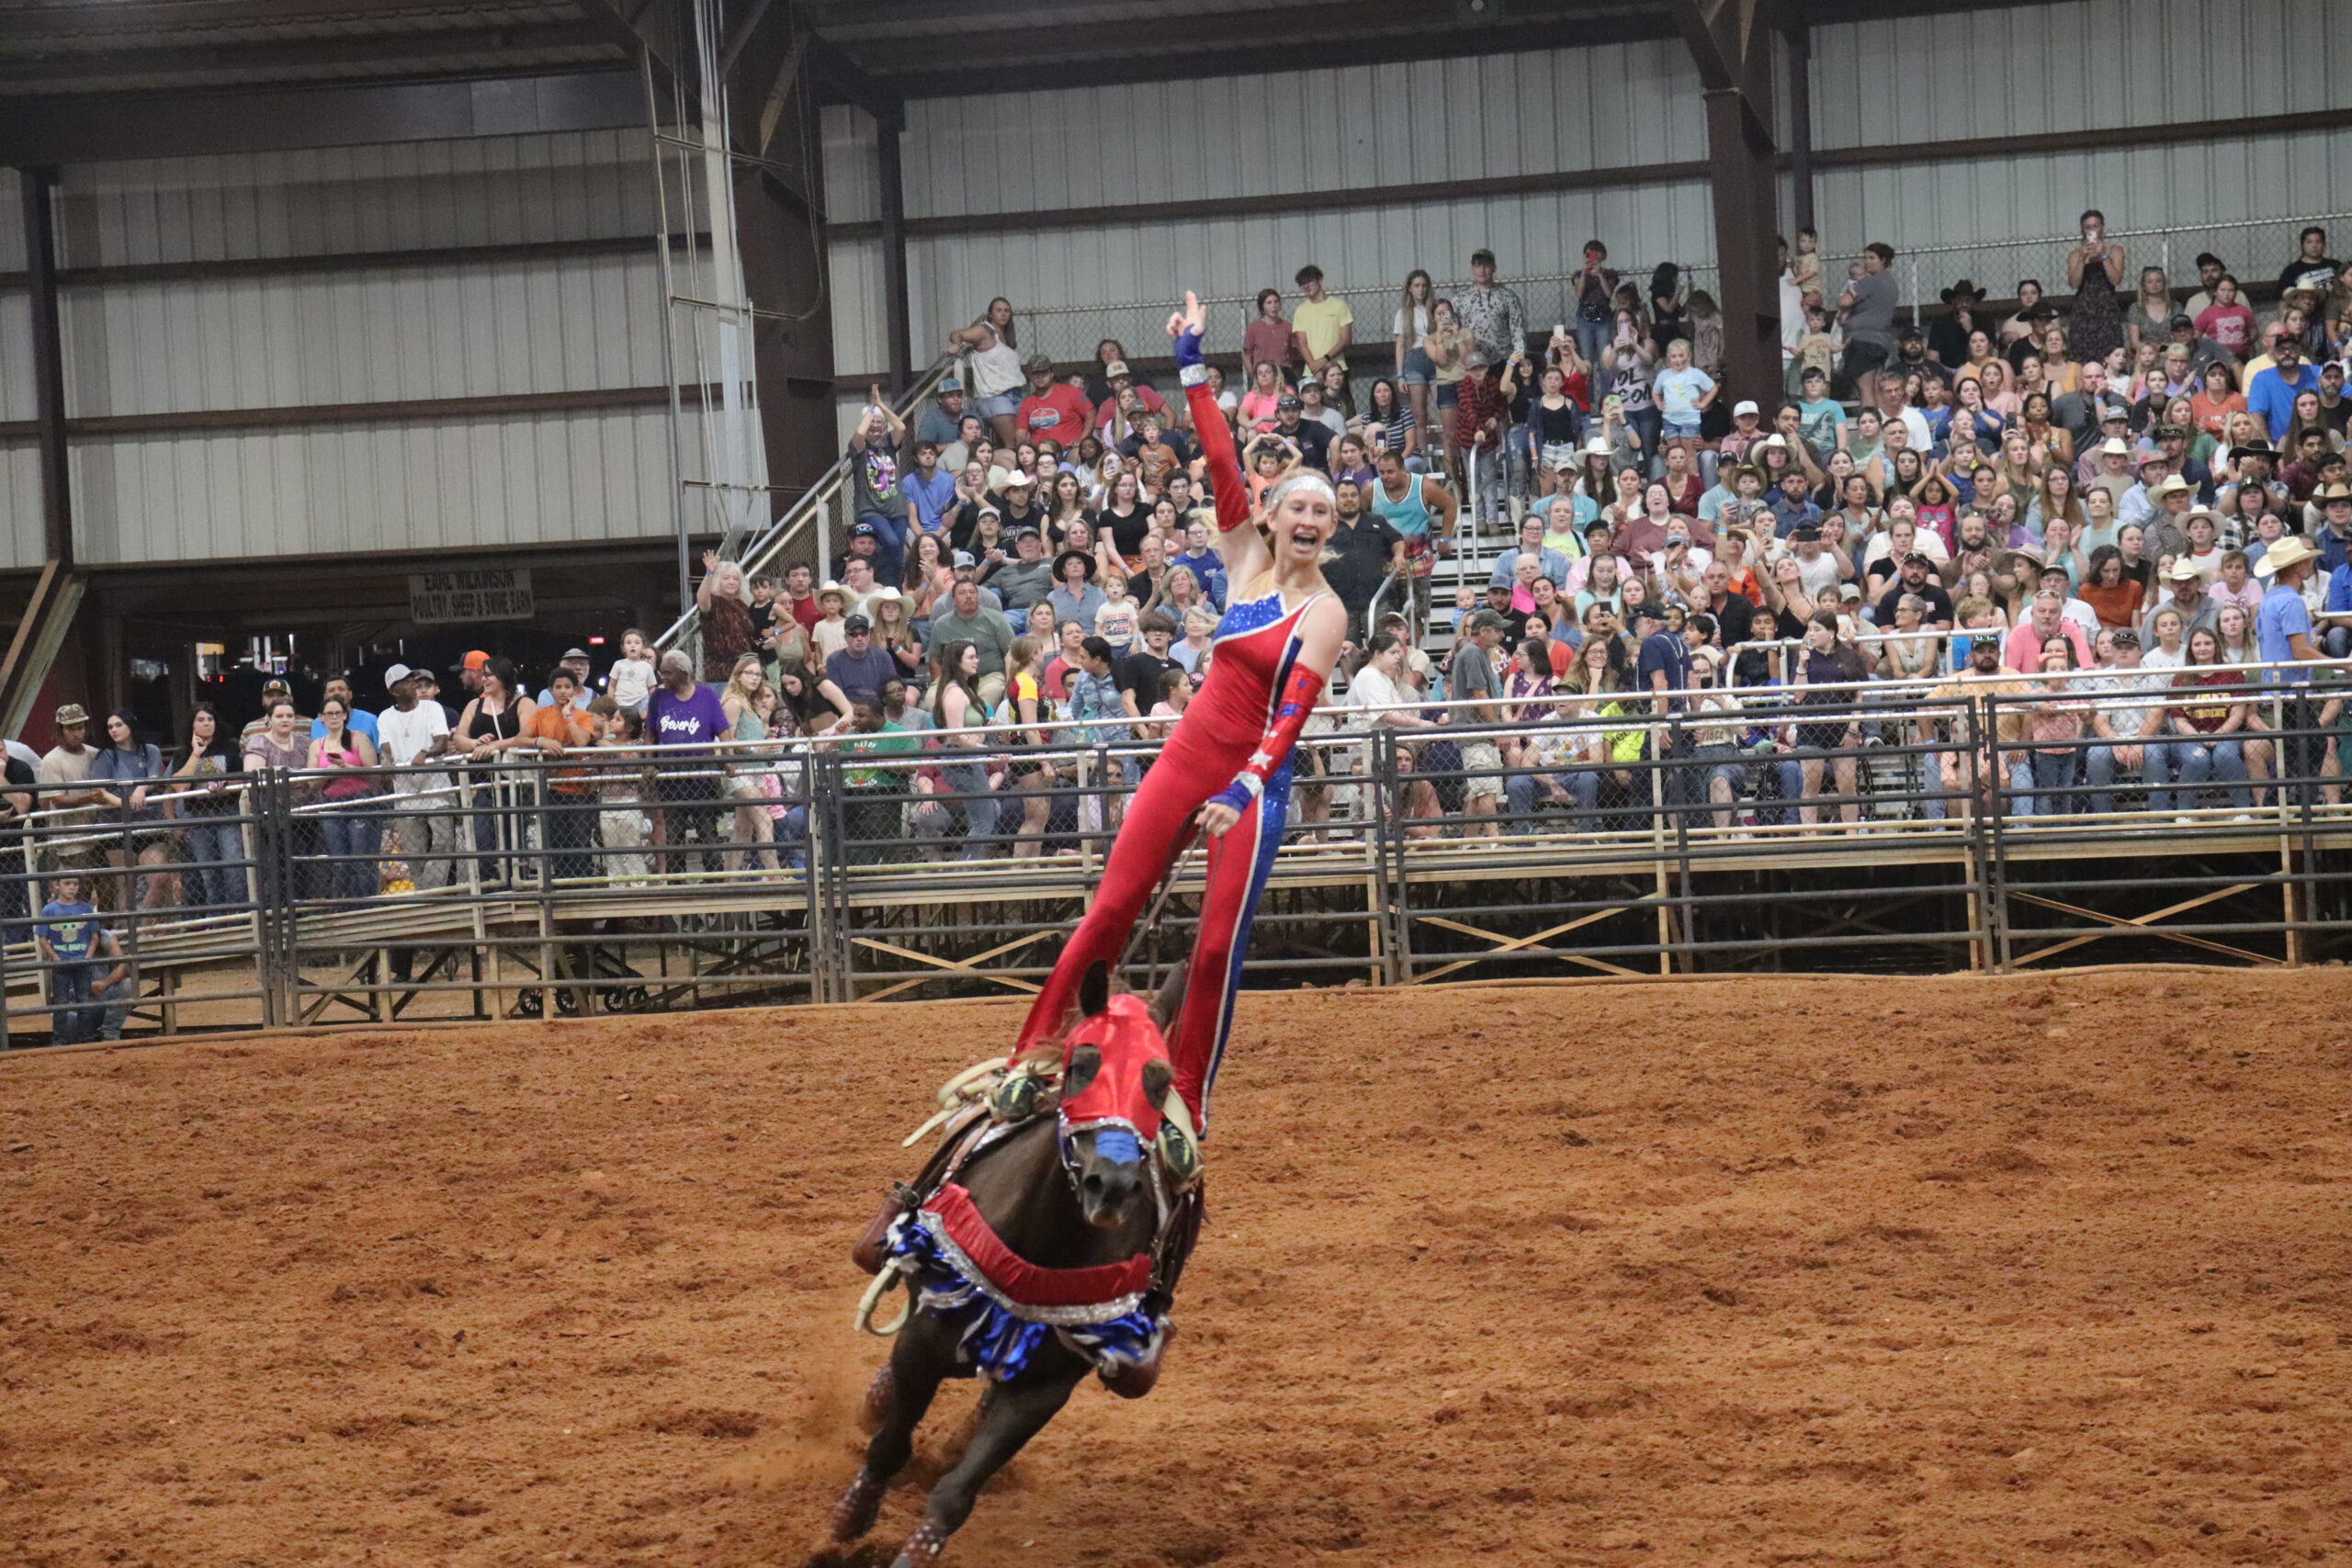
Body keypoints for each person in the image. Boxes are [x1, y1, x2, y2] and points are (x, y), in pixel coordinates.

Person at [1014, 288, 1348, 1141]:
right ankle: (1031, 1059)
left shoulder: (1326, 612)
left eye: (1322, 511)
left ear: (1331, 527)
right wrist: (1192, 364)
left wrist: (1242, 788)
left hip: (1253, 783)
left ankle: (1187, 1098)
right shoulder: (1242, 562)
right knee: (1111, 907)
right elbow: (1223, 461)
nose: (1308, 519)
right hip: (1190, 755)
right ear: (1273, 515)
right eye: (1297, 506)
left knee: (1214, 948)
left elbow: (1290, 719)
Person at [647, 649, 731, 876]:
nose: (663, 678)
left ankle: (714, 880)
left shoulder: (707, 696)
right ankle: (676, 881)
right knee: (674, 832)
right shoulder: (658, 698)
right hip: (670, 775)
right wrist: (650, 763)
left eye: (668, 673)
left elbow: (724, 732)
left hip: (701, 774)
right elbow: (650, 734)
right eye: (661, 672)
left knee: (707, 830)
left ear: (683, 673)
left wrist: (728, 759)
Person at [375, 664, 458, 894]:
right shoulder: (385, 717)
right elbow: (386, 748)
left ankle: (432, 890)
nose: (413, 684)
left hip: (436, 786)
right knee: (414, 852)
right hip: (405, 791)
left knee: (444, 841)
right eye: (406, 681)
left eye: (413, 679)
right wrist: (387, 765)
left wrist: (425, 752)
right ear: (394, 690)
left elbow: (441, 741)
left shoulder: (431, 708)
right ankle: (426, 896)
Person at [88, 708, 173, 912]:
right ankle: (125, 927)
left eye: (119, 725)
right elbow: (99, 791)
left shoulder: (150, 751)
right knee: (125, 882)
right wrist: (123, 803)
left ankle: (142, 922)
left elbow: (154, 778)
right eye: (110, 727)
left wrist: (141, 789)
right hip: (117, 826)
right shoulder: (105, 756)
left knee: (159, 877)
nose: (114, 730)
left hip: (148, 824)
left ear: (131, 726)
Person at [37, 874, 130, 1044]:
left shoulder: (104, 936)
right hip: (75, 998)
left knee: (127, 985)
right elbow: (45, 946)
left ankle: (109, 1034)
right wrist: (57, 956)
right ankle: (76, 1040)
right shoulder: (60, 937)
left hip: (101, 994)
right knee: (67, 1017)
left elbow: (123, 964)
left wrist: (104, 983)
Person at [171, 703, 246, 910]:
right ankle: (218, 922)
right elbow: (179, 786)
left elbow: (243, 778)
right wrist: (196, 754)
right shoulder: (184, 753)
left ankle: (240, 920)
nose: (206, 724)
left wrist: (224, 783)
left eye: (210, 719)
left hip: (228, 813)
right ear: (192, 724)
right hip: (198, 817)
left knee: (234, 868)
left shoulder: (230, 747)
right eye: (201, 720)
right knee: (210, 875)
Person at [308, 694, 382, 903]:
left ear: (345, 716)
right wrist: (328, 773)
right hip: (330, 804)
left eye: (338, 713)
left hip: (359, 801)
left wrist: (346, 767)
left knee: (361, 859)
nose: (334, 717)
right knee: (339, 860)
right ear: (321, 717)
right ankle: (343, 904)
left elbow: (374, 773)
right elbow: (311, 783)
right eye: (329, 713)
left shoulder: (358, 738)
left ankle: (367, 904)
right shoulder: (317, 745)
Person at [1290, 264, 1353, 376]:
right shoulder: (1301, 310)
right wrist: (1314, 367)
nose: (1306, 286)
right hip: (1312, 371)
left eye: (1309, 281)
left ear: (1319, 280)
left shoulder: (1339, 305)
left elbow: (1346, 339)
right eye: (1302, 284)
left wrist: (1325, 359)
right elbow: (1301, 343)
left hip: (1337, 369)